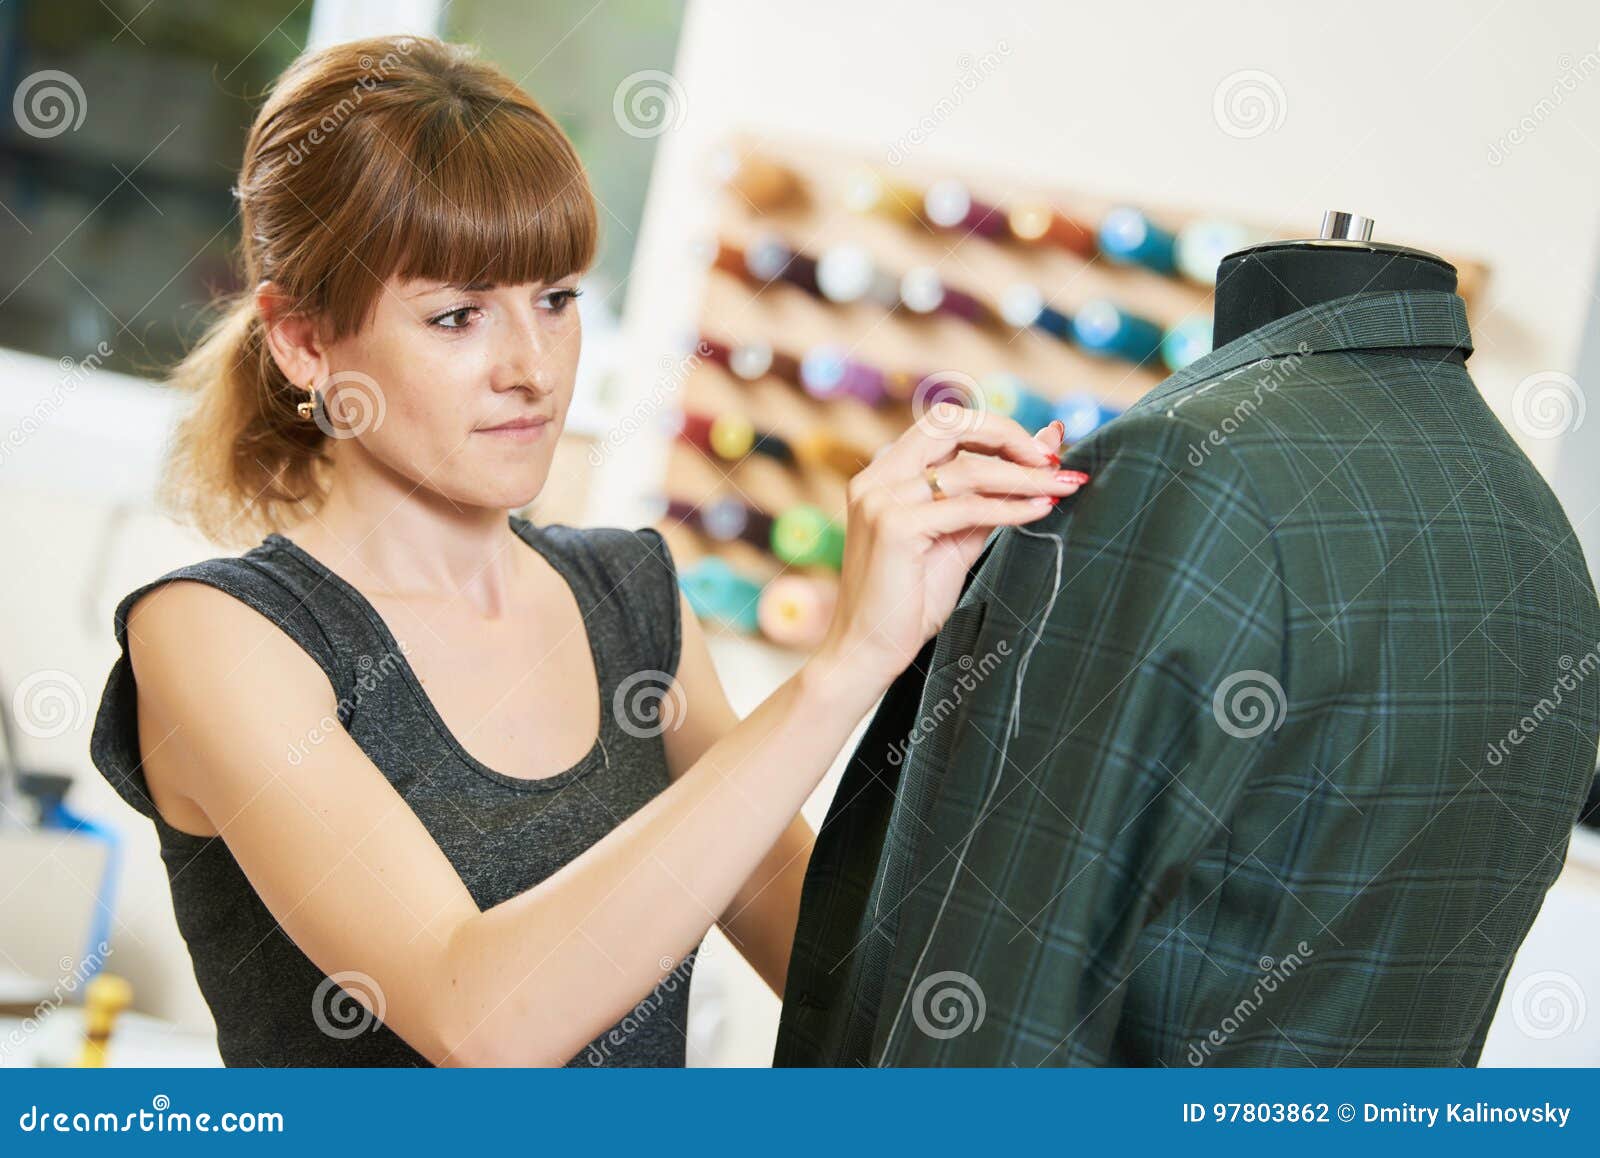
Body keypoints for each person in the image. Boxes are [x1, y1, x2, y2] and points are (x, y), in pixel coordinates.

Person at [87, 34, 1089, 1067]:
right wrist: (842, 669)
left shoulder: (631, 602)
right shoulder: (218, 638)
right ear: (303, 340)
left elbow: (852, 989)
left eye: (556, 299)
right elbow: (478, 1017)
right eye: (458, 315)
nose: (531, 367)